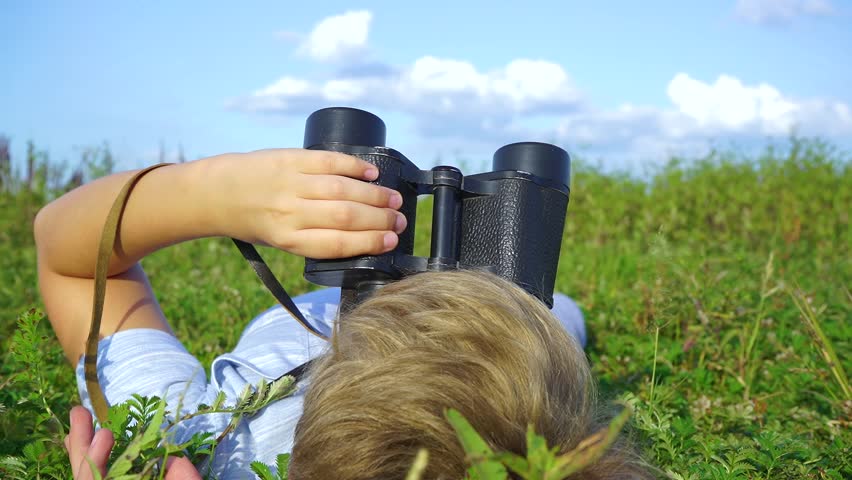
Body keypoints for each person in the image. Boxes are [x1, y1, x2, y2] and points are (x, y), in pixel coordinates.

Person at [36, 149, 649, 479]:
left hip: (426, 318)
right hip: (514, 342)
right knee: (550, 307)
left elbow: (70, 259)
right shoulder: (211, 451)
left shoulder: (218, 445)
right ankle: (522, 298)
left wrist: (213, 192)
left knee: (543, 310)